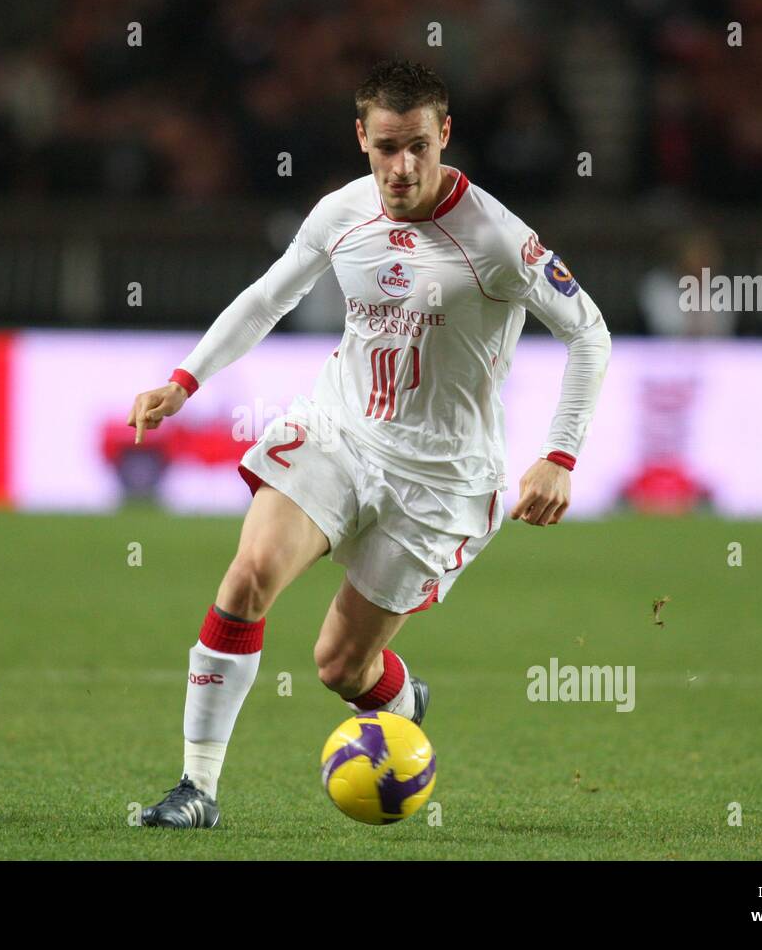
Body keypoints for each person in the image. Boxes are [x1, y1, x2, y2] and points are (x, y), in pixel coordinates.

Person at [126, 60, 611, 828]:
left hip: (442, 479)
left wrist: (560, 453)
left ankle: (399, 695)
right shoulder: (342, 212)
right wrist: (185, 381)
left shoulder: (497, 238)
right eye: (387, 147)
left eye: (419, 145)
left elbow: (588, 332)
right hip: (339, 432)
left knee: (338, 666)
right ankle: (197, 789)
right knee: (248, 574)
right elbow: (268, 297)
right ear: (361, 138)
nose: (403, 167)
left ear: (445, 134)